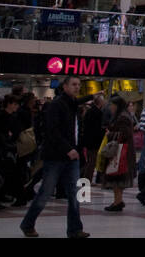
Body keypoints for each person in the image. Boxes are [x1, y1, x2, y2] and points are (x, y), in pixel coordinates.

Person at [20, 74, 89, 239]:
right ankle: (28, 223)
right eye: (74, 84)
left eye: (79, 85)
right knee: (45, 192)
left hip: (72, 157)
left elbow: (75, 129)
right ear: (65, 86)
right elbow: (52, 131)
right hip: (56, 157)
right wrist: (68, 149)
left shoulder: (72, 104)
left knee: (74, 194)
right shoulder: (56, 105)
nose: (77, 87)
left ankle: (75, 229)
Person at [102, 96, 136, 212]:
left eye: (112, 105)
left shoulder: (122, 117)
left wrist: (110, 134)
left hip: (121, 152)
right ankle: (118, 200)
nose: (110, 107)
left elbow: (124, 134)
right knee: (117, 177)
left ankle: (118, 201)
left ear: (117, 106)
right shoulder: (123, 115)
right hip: (122, 151)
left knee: (116, 176)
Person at [80, 93, 106, 179]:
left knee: (90, 161)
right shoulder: (97, 113)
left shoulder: (90, 111)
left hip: (89, 140)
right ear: (100, 102)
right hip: (94, 142)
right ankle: (87, 179)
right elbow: (96, 128)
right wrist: (104, 132)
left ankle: (86, 178)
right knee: (92, 161)